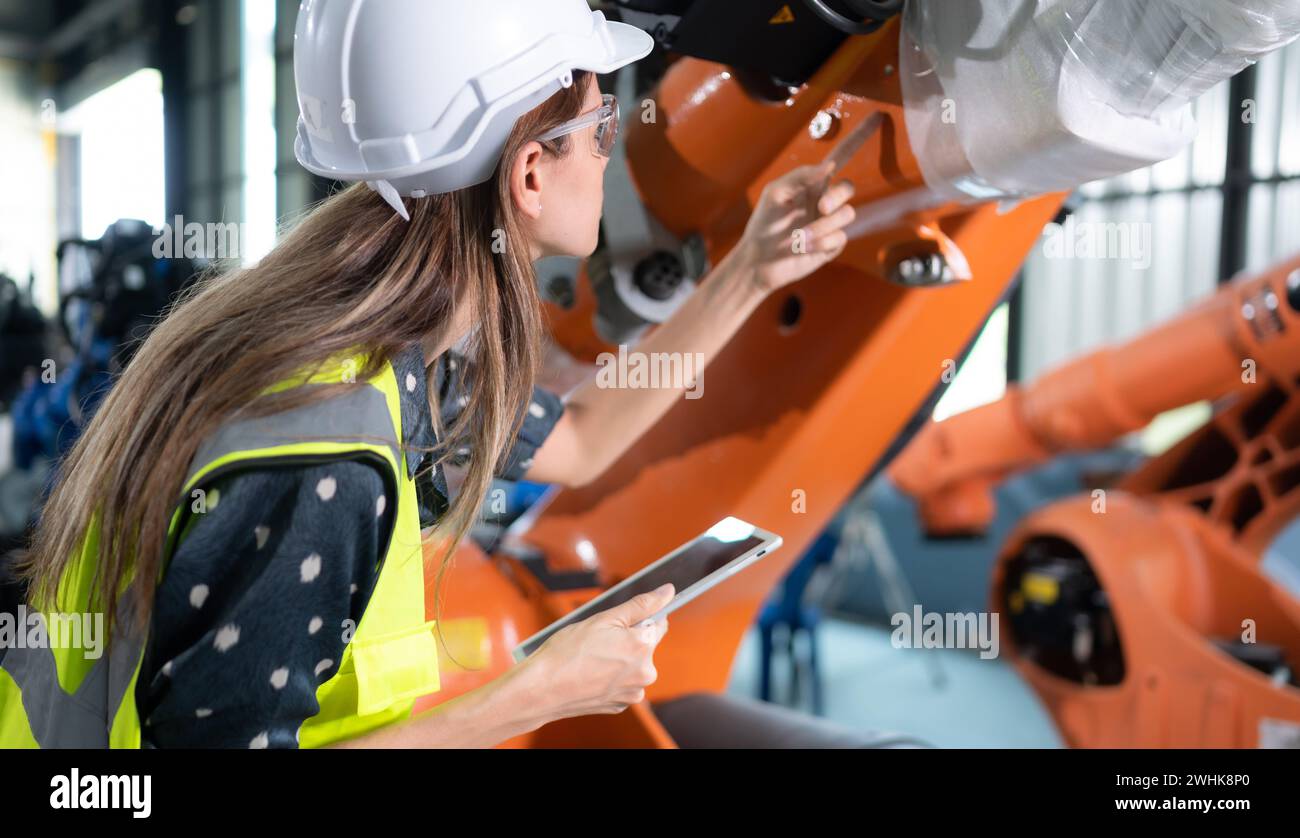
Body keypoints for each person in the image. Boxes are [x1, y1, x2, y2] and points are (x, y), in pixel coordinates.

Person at [0, 0, 857, 748]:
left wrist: (750, 269)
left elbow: (586, 439)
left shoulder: (387, 353)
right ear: (529, 171)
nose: (608, 152)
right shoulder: (321, 446)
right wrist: (536, 694)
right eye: (601, 128)